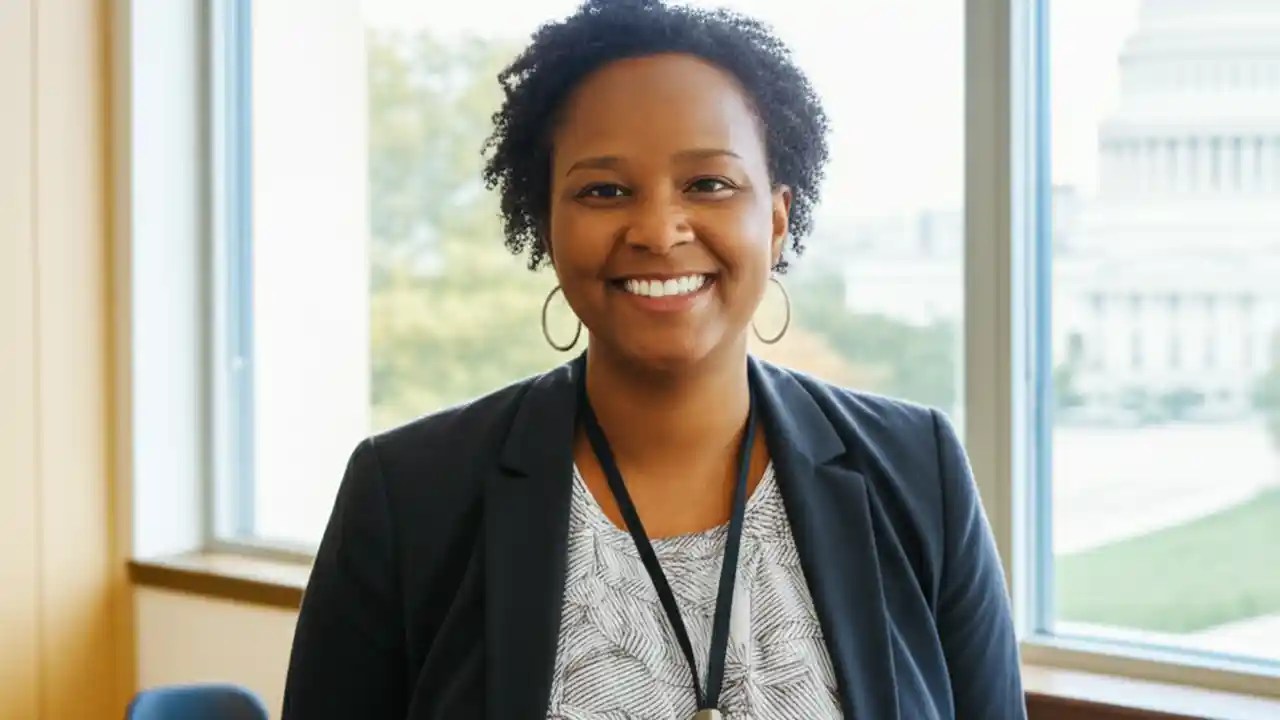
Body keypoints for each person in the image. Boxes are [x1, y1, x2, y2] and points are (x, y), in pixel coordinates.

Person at [281, 0, 1026, 718]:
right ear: (545, 224)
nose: (659, 230)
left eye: (709, 184)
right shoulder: (407, 498)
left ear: (775, 219)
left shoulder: (918, 472)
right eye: (604, 190)